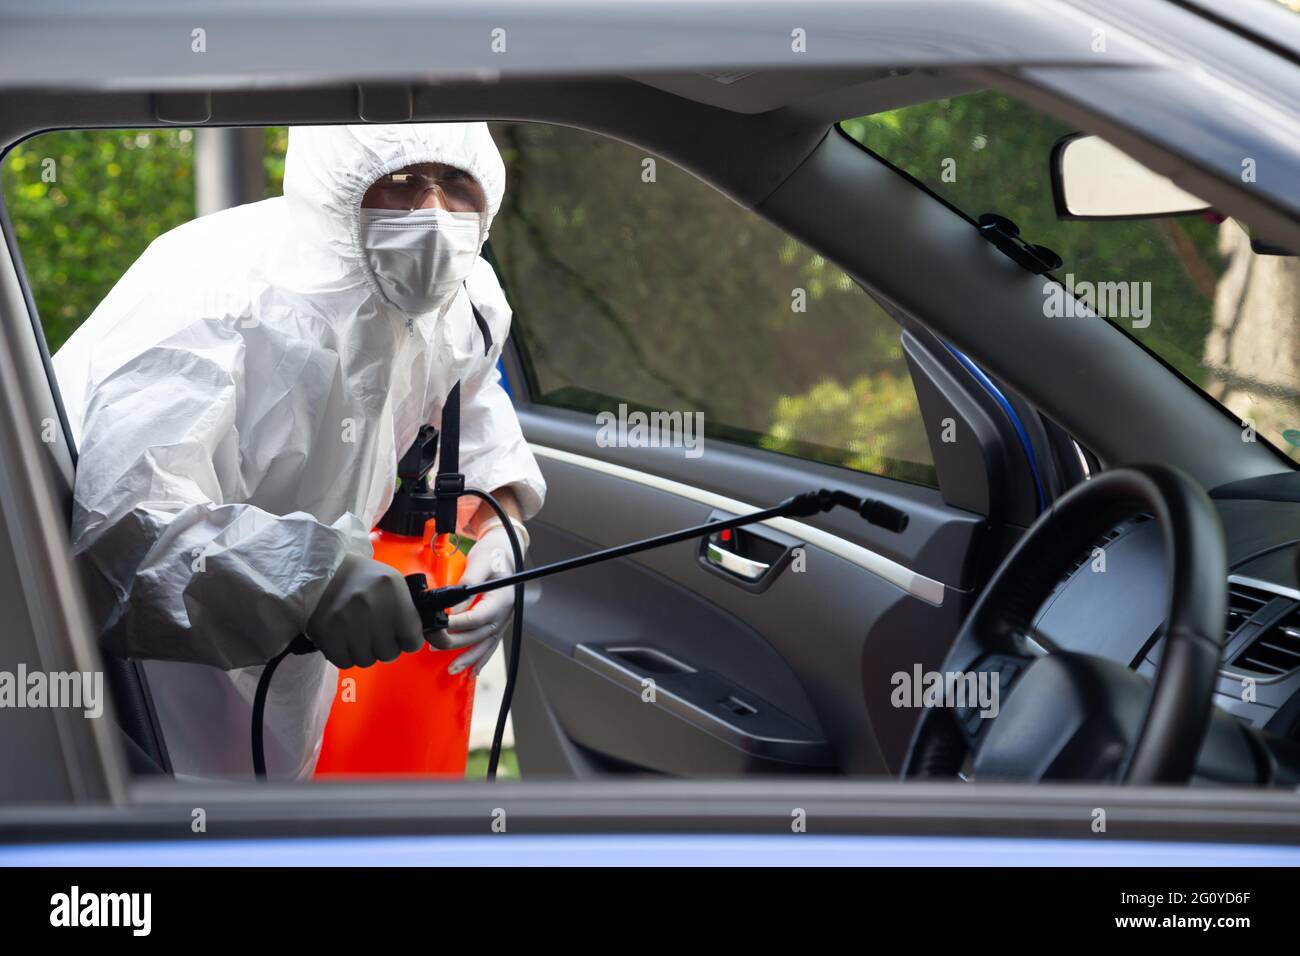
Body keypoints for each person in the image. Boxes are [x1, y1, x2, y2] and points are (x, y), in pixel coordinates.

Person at [52, 123, 546, 779]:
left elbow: (473, 398)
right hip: (142, 664)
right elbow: (122, 540)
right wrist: (313, 580)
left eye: (457, 183)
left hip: (293, 657)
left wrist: (498, 526)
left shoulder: (464, 296)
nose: (434, 217)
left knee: (266, 797)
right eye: (401, 182)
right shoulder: (209, 294)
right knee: (175, 812)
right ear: (335, 185)